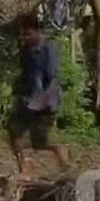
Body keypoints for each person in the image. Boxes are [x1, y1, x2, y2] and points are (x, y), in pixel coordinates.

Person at [9, 13, 70, 179]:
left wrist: (45, 101)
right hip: (29, 99)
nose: (25, 38)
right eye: (23, 34)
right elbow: (25, 75)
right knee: (15, 133)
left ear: (37, 31)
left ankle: (63, 157)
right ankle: (25, 169)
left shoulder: (49, 49)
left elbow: (52, 78)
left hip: (46, 101)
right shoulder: (27, 50)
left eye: (28, 34)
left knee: (40, 141)